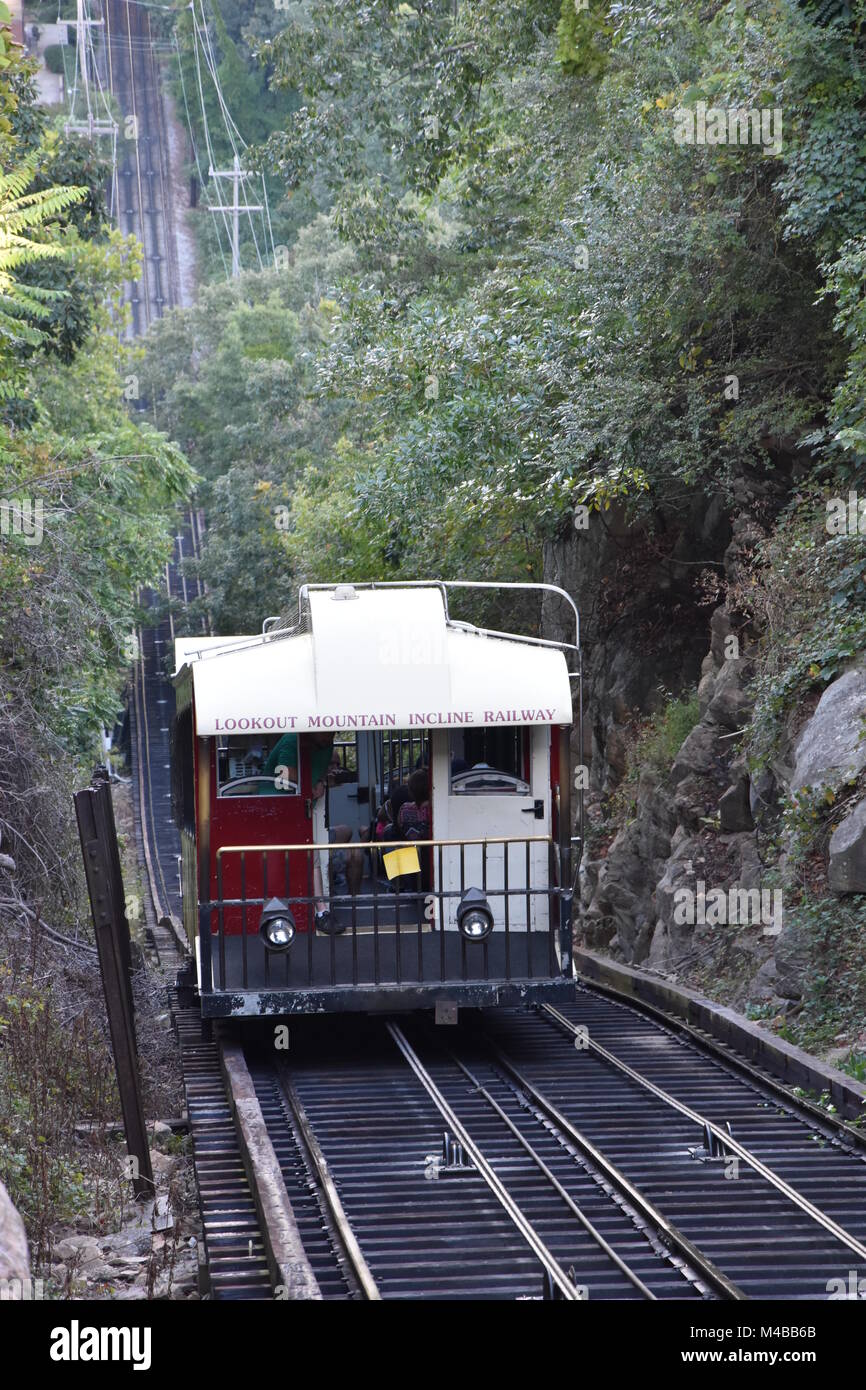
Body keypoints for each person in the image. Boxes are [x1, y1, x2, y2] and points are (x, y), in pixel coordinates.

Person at [262, 730, 342, 933]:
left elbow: (319, 773)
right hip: (274, 808)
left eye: (333, 733)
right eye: (326, 733)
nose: (330, 737)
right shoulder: (291, 740)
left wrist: (321, 783)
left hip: (300, 810)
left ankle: (320, 912)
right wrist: (310, 784)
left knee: (311, 857)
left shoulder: (326, 745)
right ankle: (274, 913)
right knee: (275, 859)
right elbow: (284, 774)